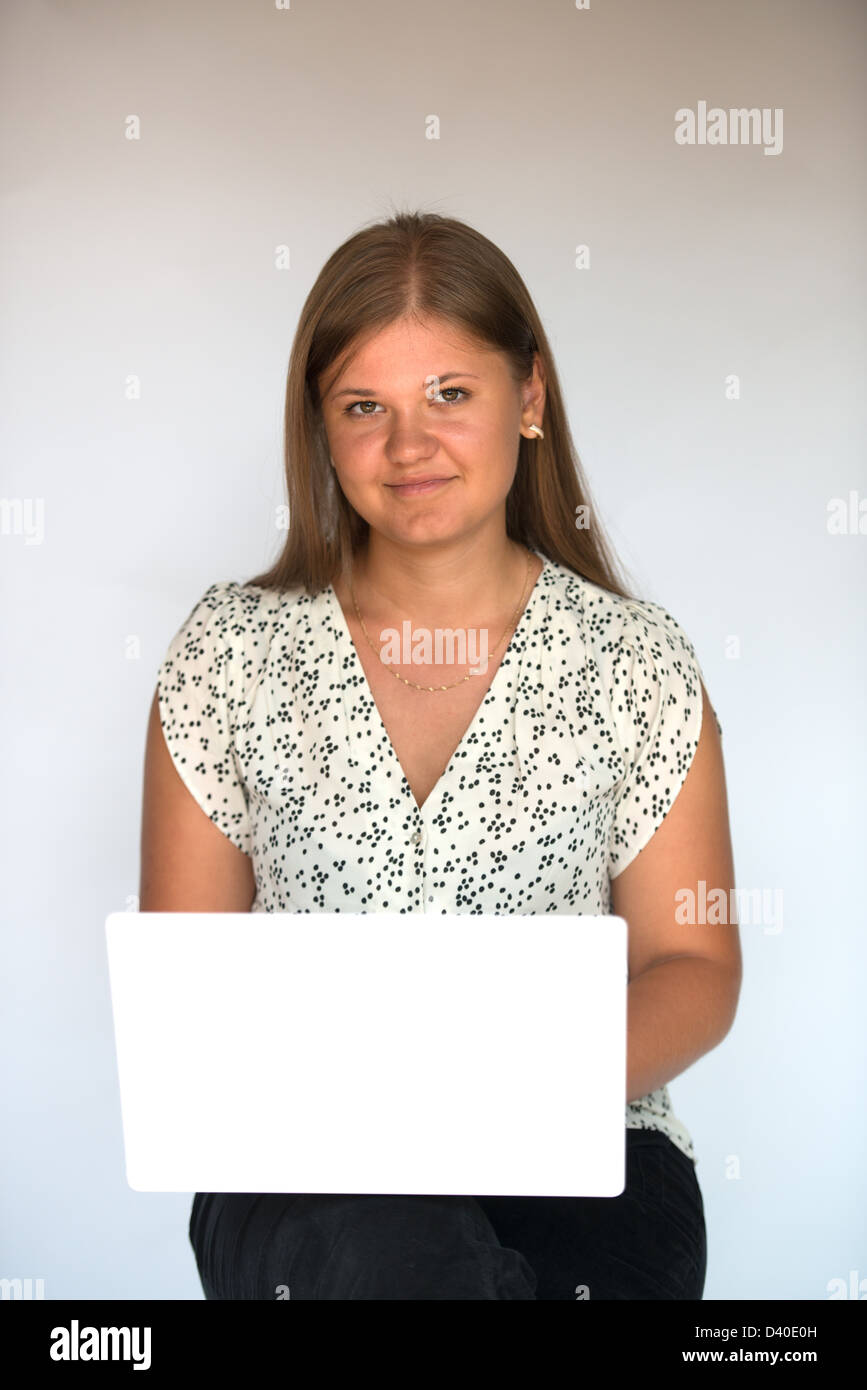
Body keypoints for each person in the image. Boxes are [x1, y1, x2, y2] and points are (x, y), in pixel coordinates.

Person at [139, 209, 742, 1300]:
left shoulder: (638, 663)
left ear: (530, 399)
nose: (408, 447)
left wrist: (499, 1089)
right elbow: (191, 1000)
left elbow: (695, 969)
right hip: (305, 1163)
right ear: (320, 428)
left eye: (449, 396)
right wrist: (369, 1106)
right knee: (397, 1271)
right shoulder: (228, 655)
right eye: (363, 406)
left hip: (587, 1145)